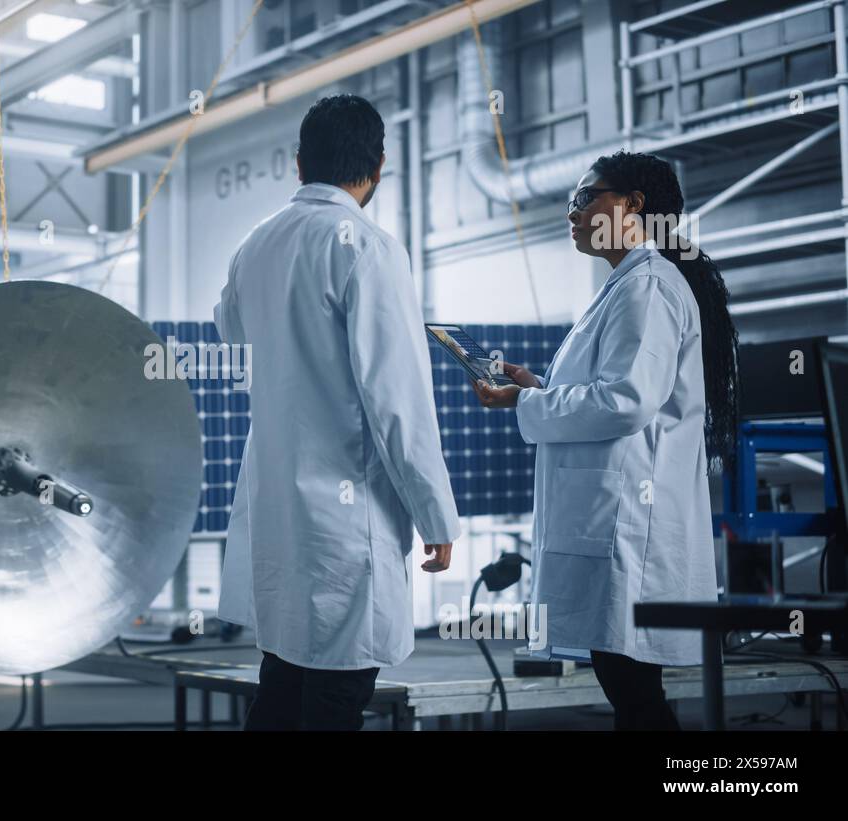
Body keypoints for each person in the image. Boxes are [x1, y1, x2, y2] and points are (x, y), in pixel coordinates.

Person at [215, 95, 460, 731]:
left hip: (280, 514)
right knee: (332, 699)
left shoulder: (256, 245)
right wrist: (435, 511)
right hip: (346, 523)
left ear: (299, 164)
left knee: (283, 684)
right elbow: (397, 399)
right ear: (379, 165)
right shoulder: (370, 249)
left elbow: (228, 326)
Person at [474, 151, 737, 730]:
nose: (573, 213)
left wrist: (526, 402)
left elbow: (625, 401)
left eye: (584, 197)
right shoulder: (627, 285)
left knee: (633, 691)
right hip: (613, 520)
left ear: (633, 205)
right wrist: (538, 388)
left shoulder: (646, 285)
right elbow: (615, 391)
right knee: (630, 688)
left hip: (629, 526)